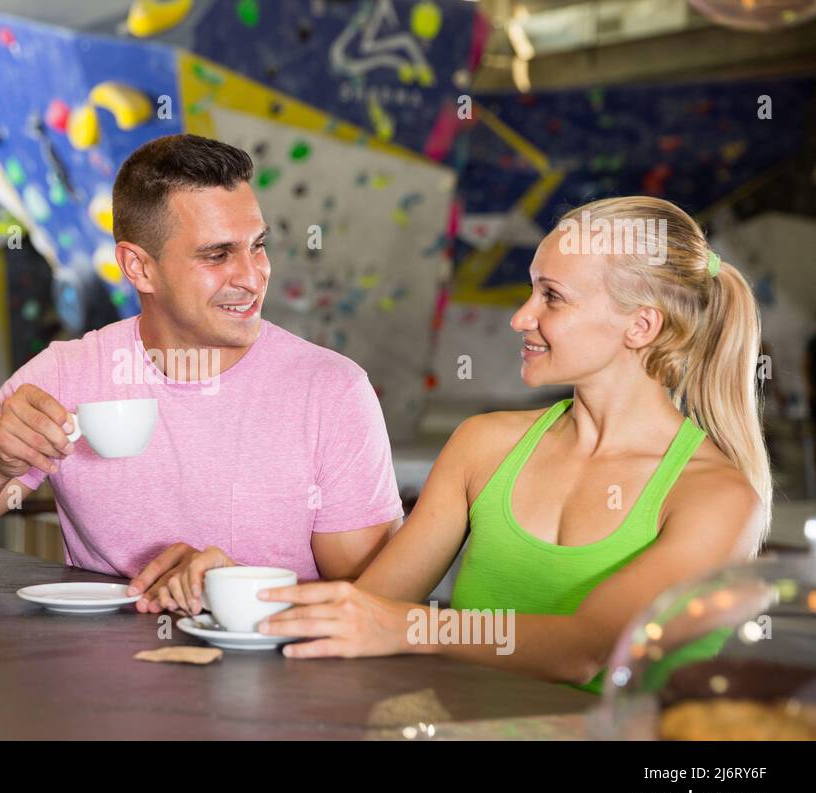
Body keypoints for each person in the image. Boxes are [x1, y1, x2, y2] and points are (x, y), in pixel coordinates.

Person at [255, 196, 769, 692]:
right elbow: (367, 608)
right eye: (531, 291)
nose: (521, 317)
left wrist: (414, 628)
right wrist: (238, 587)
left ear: (640, 326)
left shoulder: (717, 498)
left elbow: (584, 650)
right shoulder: (484, 445)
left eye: (553, 296)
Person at [0, 134, 405, 600]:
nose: (251, 276)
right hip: (103, 692)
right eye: (218, 255)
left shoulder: (331, 391)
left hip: (284, 691)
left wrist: (240, 586)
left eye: (258, 246)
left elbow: (376, 601)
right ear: (138, 267)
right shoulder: (65, 374)